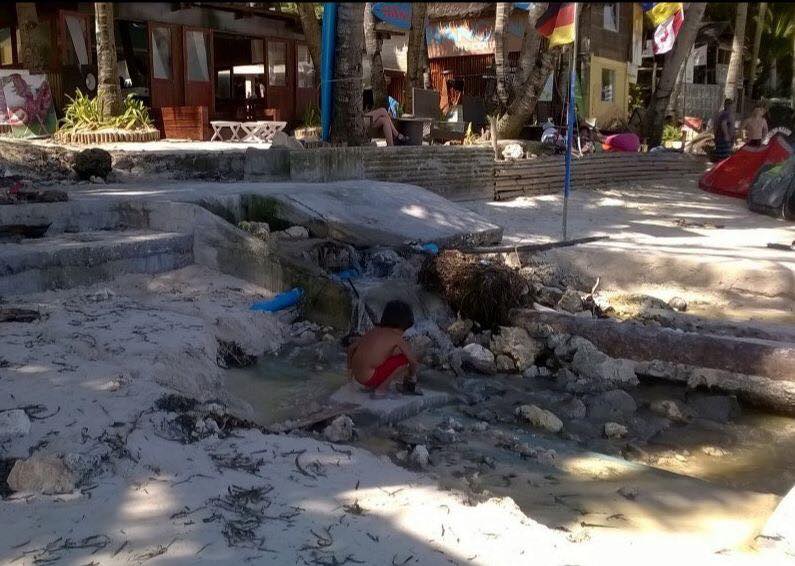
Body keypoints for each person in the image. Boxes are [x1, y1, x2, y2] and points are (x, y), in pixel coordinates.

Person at [347, 300, 420, 398]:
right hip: (369, 378)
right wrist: (412, 376)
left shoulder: (373, 331)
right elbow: (413, 361)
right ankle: (381, 389)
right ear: (404, 324)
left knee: (388, 356)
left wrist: (350, 369)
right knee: (403, 359)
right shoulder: (397, 338)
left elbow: (351, 348)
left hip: (357, 376)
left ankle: (371, 386)